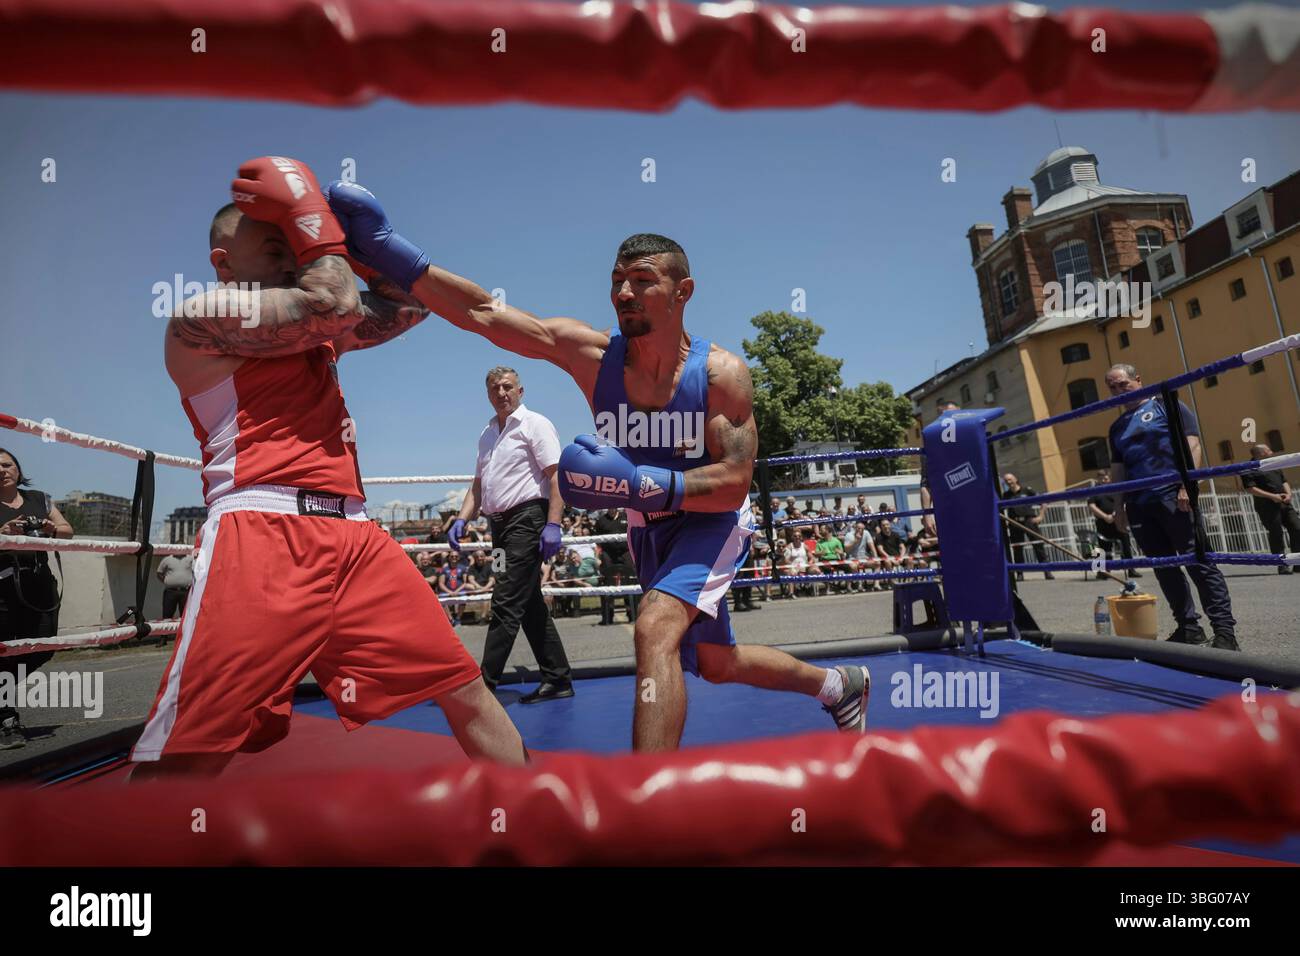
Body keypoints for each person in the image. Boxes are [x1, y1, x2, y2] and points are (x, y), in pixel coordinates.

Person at [325, 186, 872, 749]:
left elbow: (733, 486)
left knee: (653, 628)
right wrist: (392, 250)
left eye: (642, 279)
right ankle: (838, 685)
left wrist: (641, 483)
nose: (624, 291)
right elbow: (484, 313)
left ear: (682, 291)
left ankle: (646, 806)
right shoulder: (591, 357)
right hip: (648, 529)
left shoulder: (719, 374)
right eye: (617, 280)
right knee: (714, 661)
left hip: (711, 522)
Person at [134, 156, 527, 777]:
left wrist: (377, 249)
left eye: (295, 244)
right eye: (274, 245)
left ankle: (537, 825)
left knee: (462, 683)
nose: (292, 256)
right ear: (223, 260)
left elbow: (408, 308)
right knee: (192, 747)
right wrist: (311, 217)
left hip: (356, 536)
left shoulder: (316, 328)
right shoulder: (199, 318)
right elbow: (334, 303)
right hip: (262, 534)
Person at [447, 367, 574, 703]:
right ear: (488, 394)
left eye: (507, 387)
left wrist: (553, 523)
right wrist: (461, 518)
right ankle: (558, 678)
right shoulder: (487, 434)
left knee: (504, 600)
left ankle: (483, 686)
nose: (501, 393)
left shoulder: (535, 425)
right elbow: (478, 485)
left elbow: (557, 474)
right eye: (494, 388)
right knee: (527, 601)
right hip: (499, 529)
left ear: (520, 390)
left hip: (526, 522)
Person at [1105, 364, 1238, 650]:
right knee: (1164, 568)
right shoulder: (1116, 427)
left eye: (1123, 384)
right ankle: (1189, 627)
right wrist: (1119, 505)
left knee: (1198, 561)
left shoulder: (1167, 404)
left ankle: (1225, 631)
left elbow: (1193, 445)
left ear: (1138, 380)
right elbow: (1118, 468)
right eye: (1112, 387)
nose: (1118, 391)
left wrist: (1186, 485)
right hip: (1139, 504)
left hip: (1172, 495)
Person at [0, 447, 73, 749]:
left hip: (41, 582)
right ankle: (6, 719)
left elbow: (68, 531)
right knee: (4, 650)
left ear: (18, 469)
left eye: (7, 464)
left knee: (44, 645)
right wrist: (3, 533)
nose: (2, 469)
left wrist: (51, 528)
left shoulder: (39, 499)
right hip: (2, 584)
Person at [1241, 443, 1300, 574]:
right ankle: (1282, 563)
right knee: (1276, 533)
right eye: (1269, 450)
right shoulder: (1248, 468)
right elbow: (1250, 488)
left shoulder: (1273, 464)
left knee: (1297, 528)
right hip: (1266, 506)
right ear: (1261, 453)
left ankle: (1297, 562)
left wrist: (1289, 494)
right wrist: (1272, 496)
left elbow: (1284, 481)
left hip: (1285, 503)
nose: (1272, 452)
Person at [1001, 473, 1055, 580]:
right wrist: (1006, 522)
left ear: (1015, 479)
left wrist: (1040, 517)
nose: (1008, 482)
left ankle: (1047, 571)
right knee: (1017, 549)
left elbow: (1043, 501)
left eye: (1010, 479)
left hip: (1029, 521)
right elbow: (1000, 510)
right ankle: (1020, 574)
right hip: (1015, 524)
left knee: (1038, 546)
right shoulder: (1006, 495)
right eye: (1006, 481)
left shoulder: (1027, 490)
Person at [1088, 470, 1141, 578]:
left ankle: (1131, 569)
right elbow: (1092, 506)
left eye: (1106, 478)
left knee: (1126, 547)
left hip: (1118, 521)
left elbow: (1124, 503)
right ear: (1098, 479)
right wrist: (1105, 516)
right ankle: (1102, 571)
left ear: (1109, 478)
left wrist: (1116, 514)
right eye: (1101, 478)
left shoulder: (1116, 489)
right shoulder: (1094, 491)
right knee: (1102, 548)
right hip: (1103, 523)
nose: (1104, 480)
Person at [918, 401, 959, 536]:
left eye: (954, 413)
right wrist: (927, 515)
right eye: (946, 414)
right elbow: (926, 483)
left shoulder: (971, 433)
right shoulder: (932, 440)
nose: (950, 418)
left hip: (971, 503)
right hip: (947, 506)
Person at [593, 507, 637, 624]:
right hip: (608, 553)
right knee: (608, 581)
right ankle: (608, 617)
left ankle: (633, 614)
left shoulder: (625, 517)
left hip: (625, 551)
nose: (612, 508)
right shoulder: (601, 521)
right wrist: (597, 558)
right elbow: (597, 541)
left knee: (631, 580)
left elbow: (634, 533)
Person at [155, 547, 197, 621]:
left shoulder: (191, 559)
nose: (179, 550)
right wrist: (166, 581)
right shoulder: (167, 559)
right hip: (170, 592)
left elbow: (198, 569)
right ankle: (167, 632)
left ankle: (183, 632)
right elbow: (159, 573)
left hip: (185, 591)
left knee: (186, 616)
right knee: (167, 616)